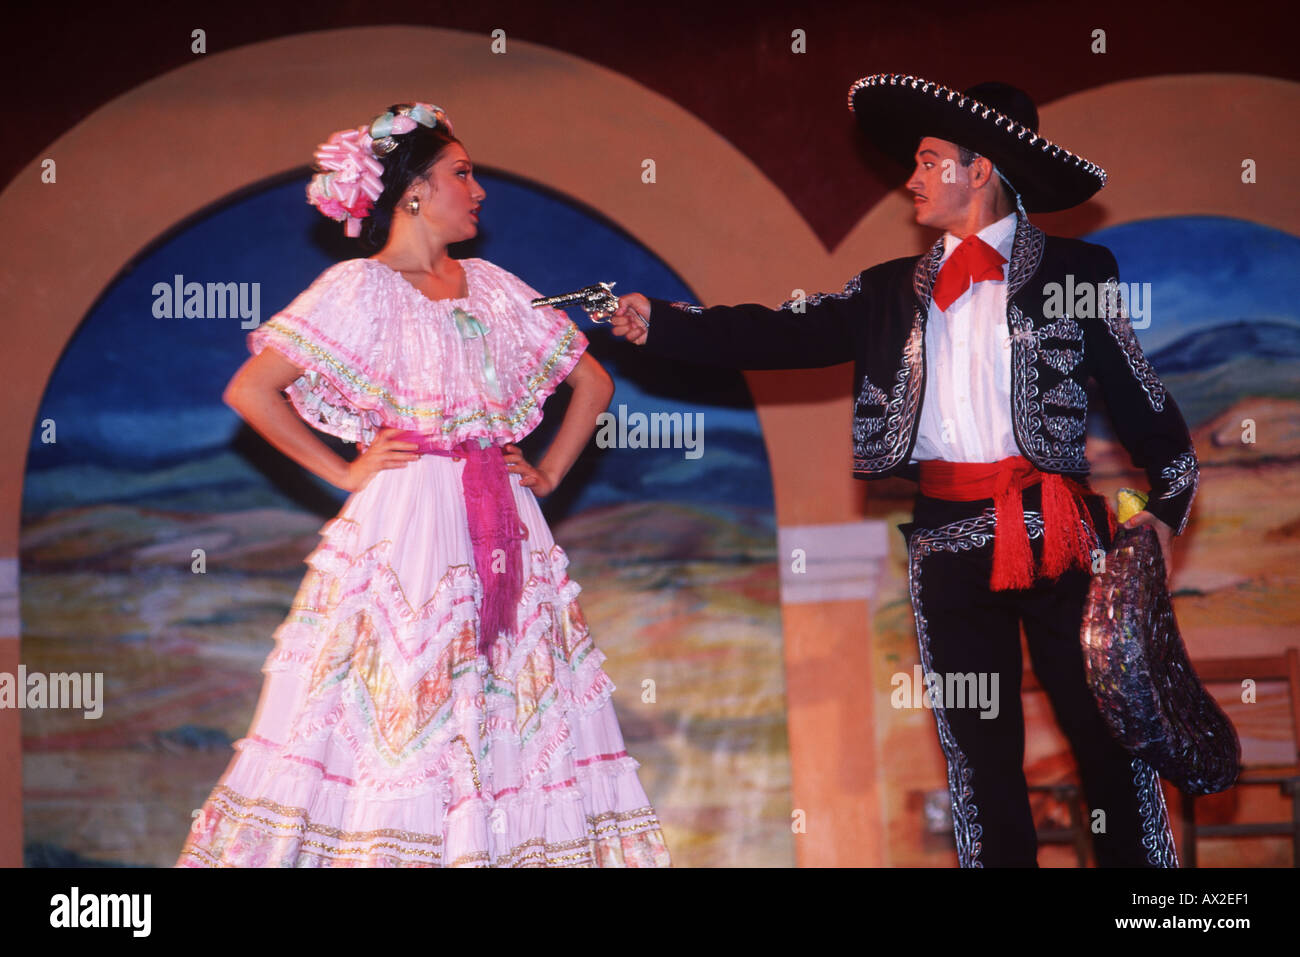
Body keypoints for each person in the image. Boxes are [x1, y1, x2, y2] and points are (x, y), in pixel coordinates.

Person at [609, 76, 1198, 867]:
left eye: (927, 161)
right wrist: (664, 326)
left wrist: (1164, 501)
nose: (910, 179)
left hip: (1058, 532)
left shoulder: (1074, 269)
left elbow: (1137, 393)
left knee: (1106, 736)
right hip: (947, 541)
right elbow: (783, 335)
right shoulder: (890, 290)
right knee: (980, 757)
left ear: (979, 169)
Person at [178, 102, 671, 868]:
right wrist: (344, 469)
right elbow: (251, 389)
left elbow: (594, 382)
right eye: (462, 174)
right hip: (408, 514)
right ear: (411, 190)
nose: (478, 191)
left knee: (511, 695)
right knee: (402, 696)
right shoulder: (359, 287)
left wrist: (544, 473)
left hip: (500, 517)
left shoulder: (494, 284)